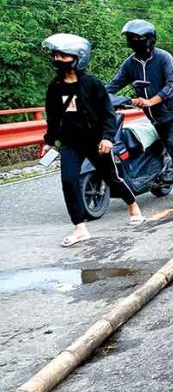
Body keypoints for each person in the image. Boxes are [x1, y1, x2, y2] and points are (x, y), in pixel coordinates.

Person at [41, 34, 144, 247]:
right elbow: (52, 116)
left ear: (78, 58)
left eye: (63, 55)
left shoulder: (92, 84)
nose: (57, 59)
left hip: (96, 141)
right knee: (69, 181)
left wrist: (108, 138)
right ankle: (80, 227)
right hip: (70, 143)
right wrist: (49, 141)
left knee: (111, 177)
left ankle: (133, 205)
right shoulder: (55, 87)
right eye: (55, 55)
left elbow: (108, 114)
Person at [107, 19, 173, 206]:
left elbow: (171, 86)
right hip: (155, 117)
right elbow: (114, 85)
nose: (134, 41)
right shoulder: (130, 64)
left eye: (138, 37)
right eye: (131, 38)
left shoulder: (164, 58)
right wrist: (92, 95)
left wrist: (150, 101)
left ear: (149, 39)